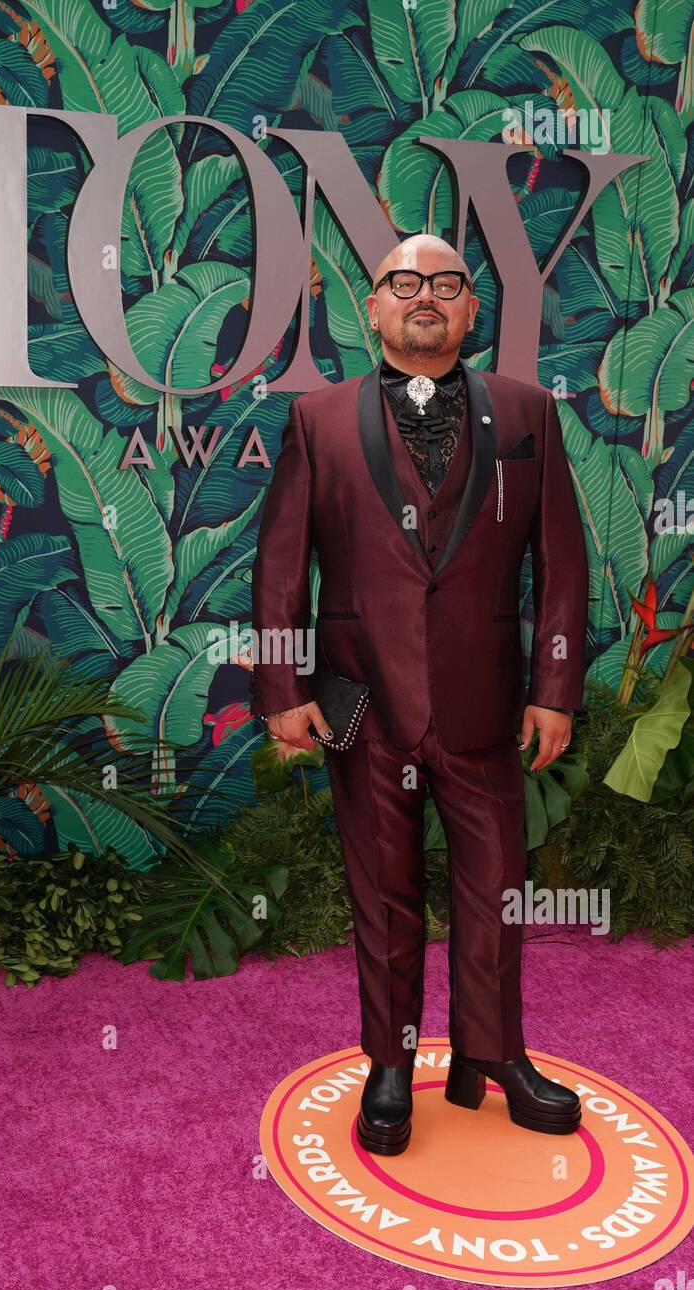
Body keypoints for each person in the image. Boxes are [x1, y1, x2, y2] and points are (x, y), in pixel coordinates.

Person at [249, 234, 588, 1156]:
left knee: (496, 891)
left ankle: (495, 1054)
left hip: (486, 705)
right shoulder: (317, 419)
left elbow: (560, 563)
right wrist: (281, 687)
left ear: (473, 309)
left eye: (447, 282)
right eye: (404, 282)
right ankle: (391, 1064)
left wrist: (555, 686)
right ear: (373, 307)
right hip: (363, 704)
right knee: (385, 895)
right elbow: (282, 567)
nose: (424, 295)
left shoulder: (527, 412)